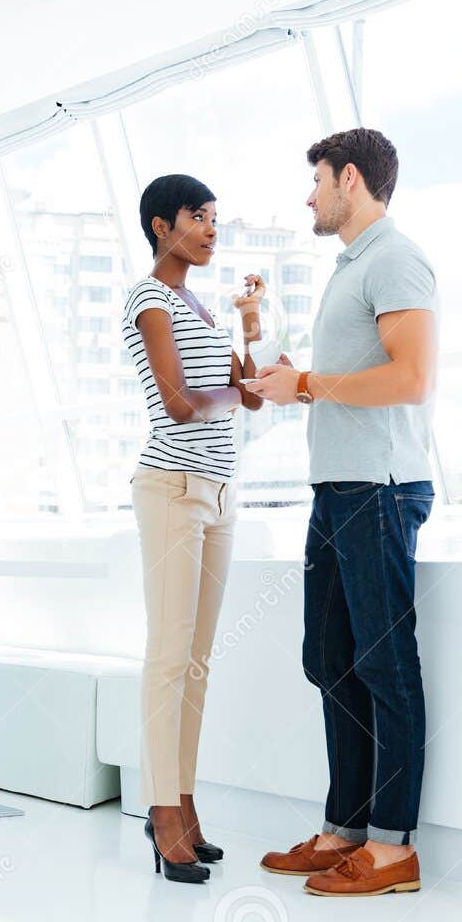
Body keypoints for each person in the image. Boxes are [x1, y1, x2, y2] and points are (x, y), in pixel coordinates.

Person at [242, 128, 439, 897]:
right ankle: (344, 830)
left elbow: (411, 377)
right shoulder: (353, 268)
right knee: (329, 658)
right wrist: (293, 377)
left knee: (386, 665)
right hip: (338, 487)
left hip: (380, 488)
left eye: (317, 180)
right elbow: (341, 381)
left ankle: (392, 850)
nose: (309, 197)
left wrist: (310, 385)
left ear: (349, 178)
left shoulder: (395, 259)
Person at [122, 173, 267, 884]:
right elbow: (179, 403)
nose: (211, 229)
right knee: (169, 655)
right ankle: (161, 811)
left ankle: (183, 800)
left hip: (220, 492)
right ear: (161, 225)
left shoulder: (204, 309)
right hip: (173, 488)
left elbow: (254, 395)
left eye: (215, 218)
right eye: (198, 216)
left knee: (199, 660)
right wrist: (238, 393)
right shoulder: (149, 298)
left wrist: (250, 322)